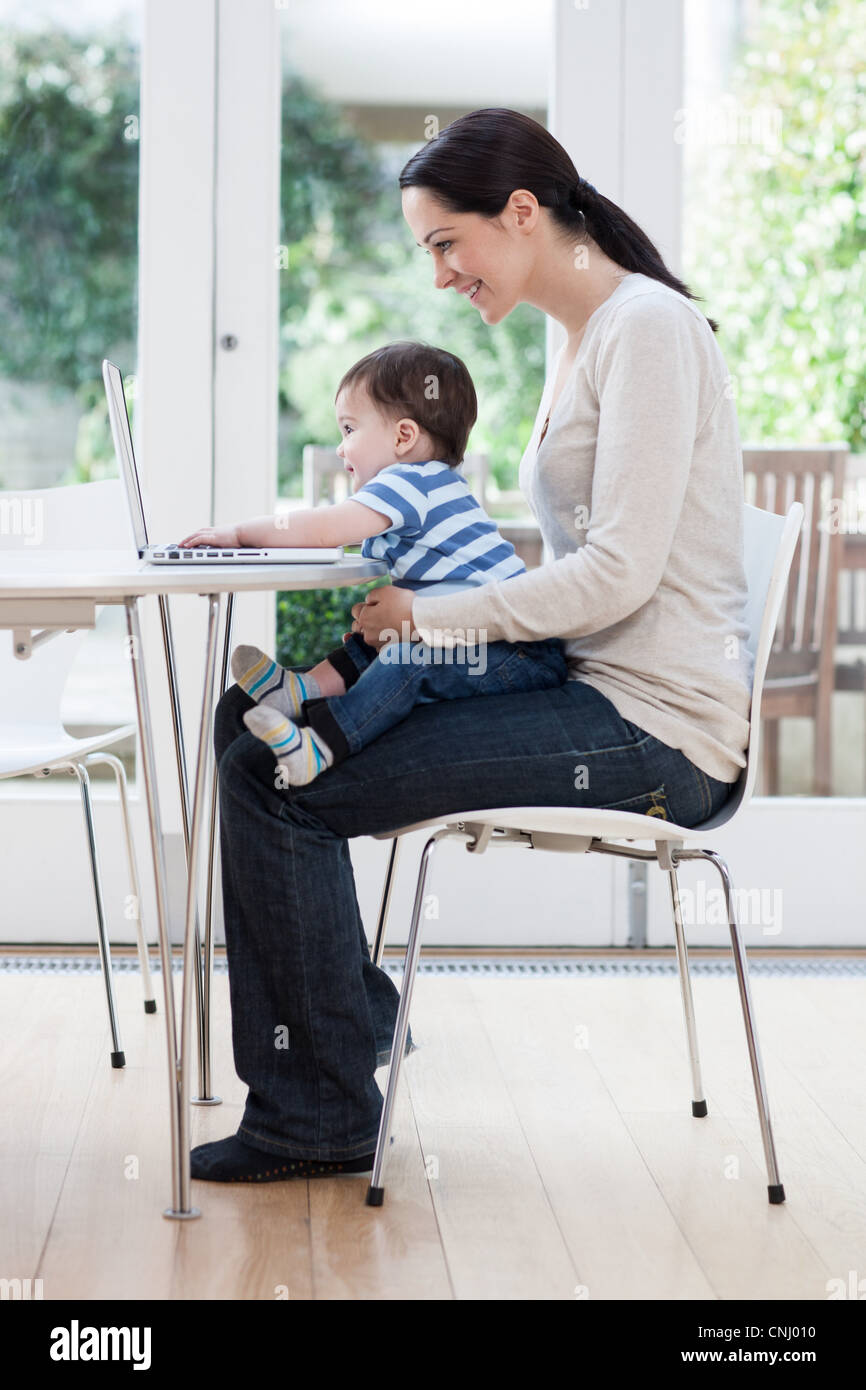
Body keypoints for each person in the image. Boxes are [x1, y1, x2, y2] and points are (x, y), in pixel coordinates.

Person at [190, 107, 751, 1185]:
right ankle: (346, 1027)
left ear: (523, 213)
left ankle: (318, 1107)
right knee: (250, 722)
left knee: (273, 771)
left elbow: (617, 575)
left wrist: (425, 618)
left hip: (653, 734)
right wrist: (422, 585)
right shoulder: (588, 336)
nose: (441, 275)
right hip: (590, 688)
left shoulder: (647, 332)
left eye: (447, 243)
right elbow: (555, 568)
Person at [178, 341, 568, 788]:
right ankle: (302, 692)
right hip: (489, 643)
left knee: (405, 658)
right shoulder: (427, 487)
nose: (341, 448)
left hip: (518, 656)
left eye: (348, 429)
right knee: (379, 642)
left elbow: (327, 528)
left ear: (403, 437)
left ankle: (319, 747)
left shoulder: (410, 481)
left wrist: (240, 534)